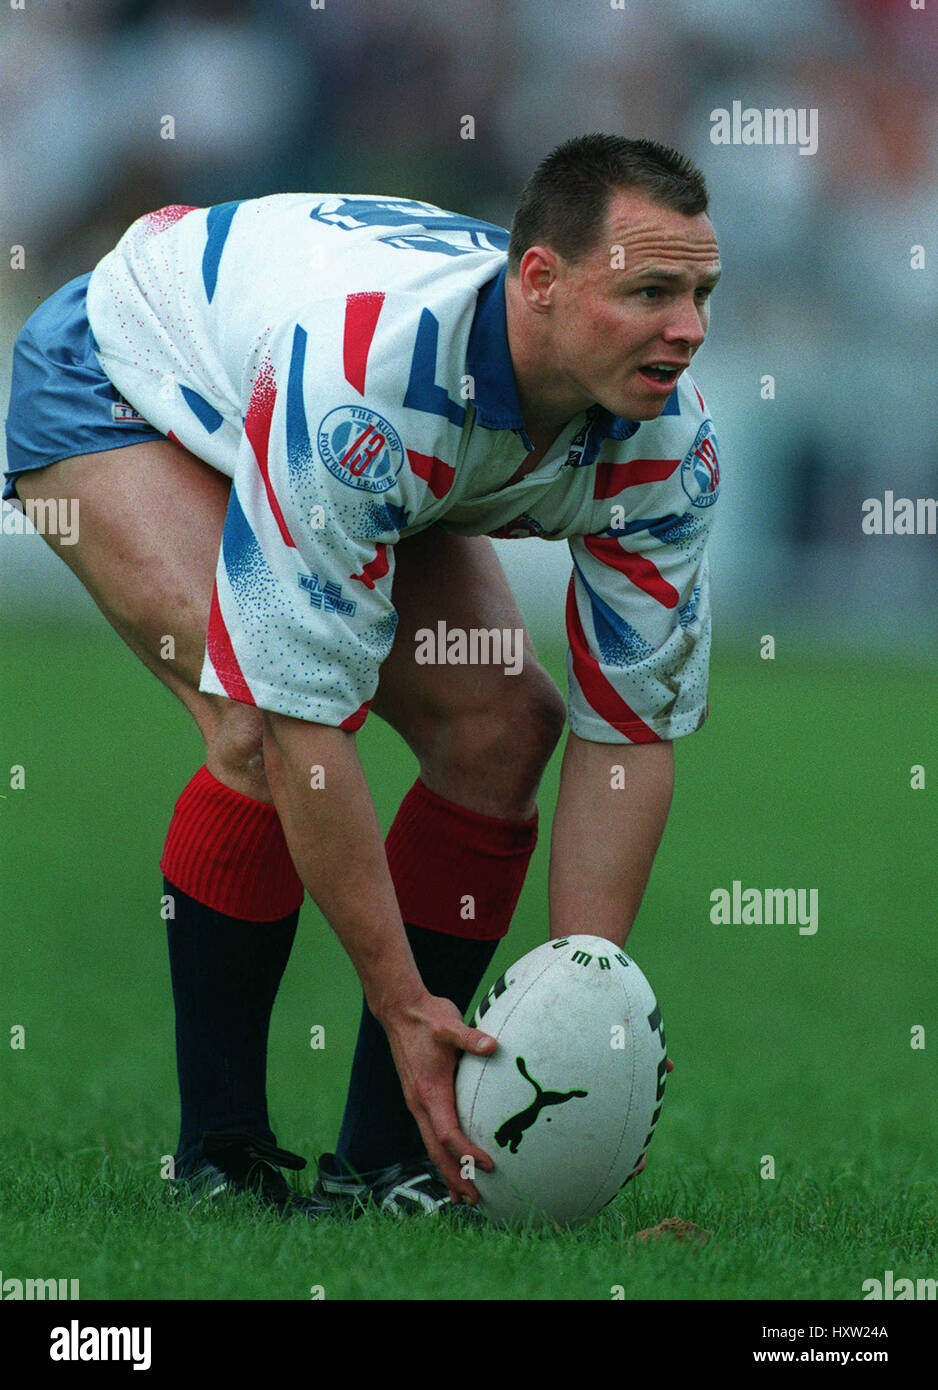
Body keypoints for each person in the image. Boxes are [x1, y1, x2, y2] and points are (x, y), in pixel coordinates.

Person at [3, 133, 721, 1218]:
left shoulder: (668, 444)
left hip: (325, 404)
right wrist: (401, 1002)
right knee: (255, 724)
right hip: (125, 376)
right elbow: (305, 721)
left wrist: (587, 1005)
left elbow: (626, 738)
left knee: (501, 731)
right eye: (653, 289)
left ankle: (391, 1163)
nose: (690, 330)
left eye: (701, 292)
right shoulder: (370, 381)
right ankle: (223, 1159)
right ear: (539, 282)